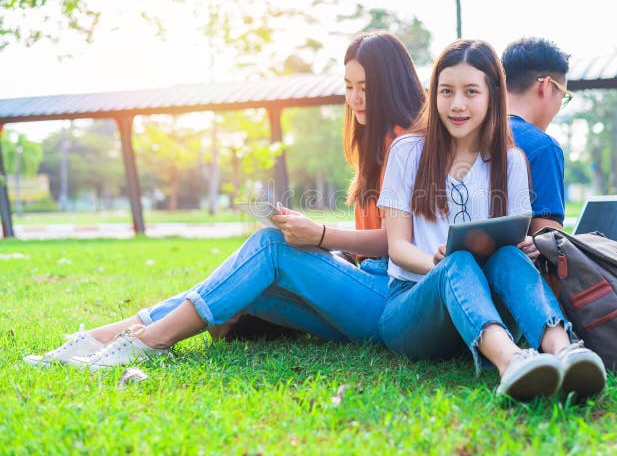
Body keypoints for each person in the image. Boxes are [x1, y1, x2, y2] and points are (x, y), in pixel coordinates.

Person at [24, 31, 426, 370]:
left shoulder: (403, 143)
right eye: (349, 87)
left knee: (269, 246)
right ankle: (108, 336)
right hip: (364, 287)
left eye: (365, 88)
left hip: (389, 300)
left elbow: (395, 242)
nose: (354, 98)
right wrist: (314, 238)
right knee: (245, 282)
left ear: (389, 85)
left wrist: (320, 235)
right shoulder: (376, 142)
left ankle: (148, 340)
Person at [375, 39, 605, 402]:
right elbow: (398, 248)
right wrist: (438, 265)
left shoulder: (511, 161)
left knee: (509, 255)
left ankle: (565, 352)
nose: (457, 104)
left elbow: (511, 244)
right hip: (414, 307)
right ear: (434, 95)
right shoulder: (407, 152)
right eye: (446, 91)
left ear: (493, 96)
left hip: (487, 305)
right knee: (457, 261)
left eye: (471, 92)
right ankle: (511, 362)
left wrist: (529, 248)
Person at [502, 37, 572, 232]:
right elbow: (547, 238)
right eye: (563, 96)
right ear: (546, 86)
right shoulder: (543, 147)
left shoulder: (471, 135)